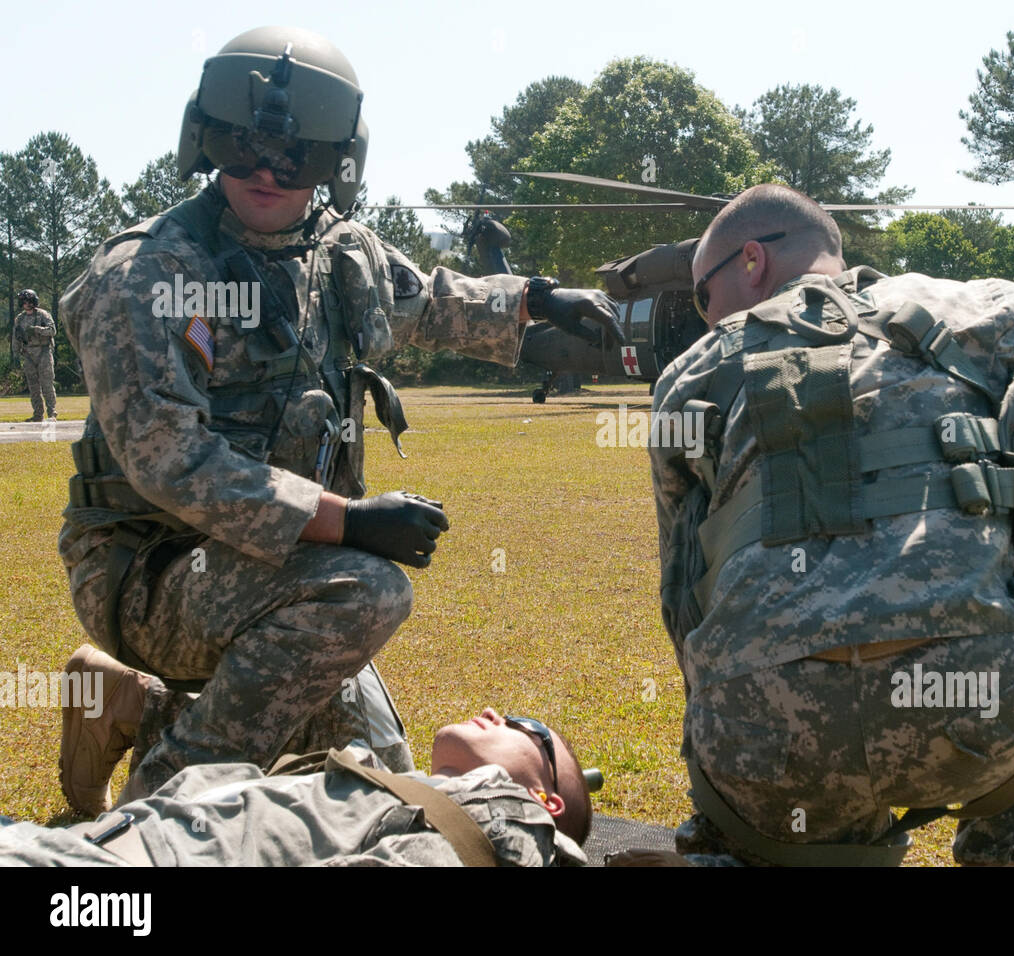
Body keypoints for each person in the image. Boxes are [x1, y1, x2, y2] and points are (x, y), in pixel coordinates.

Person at [57, 25, 624, 812]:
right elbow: (169, 459)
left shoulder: (339, 251)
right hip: (151, 568)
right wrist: (348, 523)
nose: (265, 171)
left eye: (298, 158)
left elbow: (428, 299)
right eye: (241, 146)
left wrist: (535, 296)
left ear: (338, 164)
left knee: (372, 778)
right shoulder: (153, 272)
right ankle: (158, 810)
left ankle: (143, 711)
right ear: (205, 139)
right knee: (365, 592)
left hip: (273, 572)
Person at [650, 184, 1014, 866]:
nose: (704, 316)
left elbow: (682, 597)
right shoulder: (980, 308)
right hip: (993, 714)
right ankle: (1013, 836)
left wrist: (734, 728)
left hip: (772, 742)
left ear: (750, 261)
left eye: (702, 295)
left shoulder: (688, 378)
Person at [8, 706, 594, 866]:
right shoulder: (374, 782)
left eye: (529, 729)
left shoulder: (506, 818)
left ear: (547, 799)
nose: (496, 712)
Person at [11, 289, 57, 421]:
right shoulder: (20, 319)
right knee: (33, 386)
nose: (27, 304)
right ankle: (37, 414)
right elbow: (16, 337)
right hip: (28, 354)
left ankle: (52, 413)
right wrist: (15, 355)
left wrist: (37, 329)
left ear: (34, 301)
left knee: (47, 384)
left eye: (29, 301)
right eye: (24, 302)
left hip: (43, 352)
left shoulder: (43, 315)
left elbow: (52, 331)